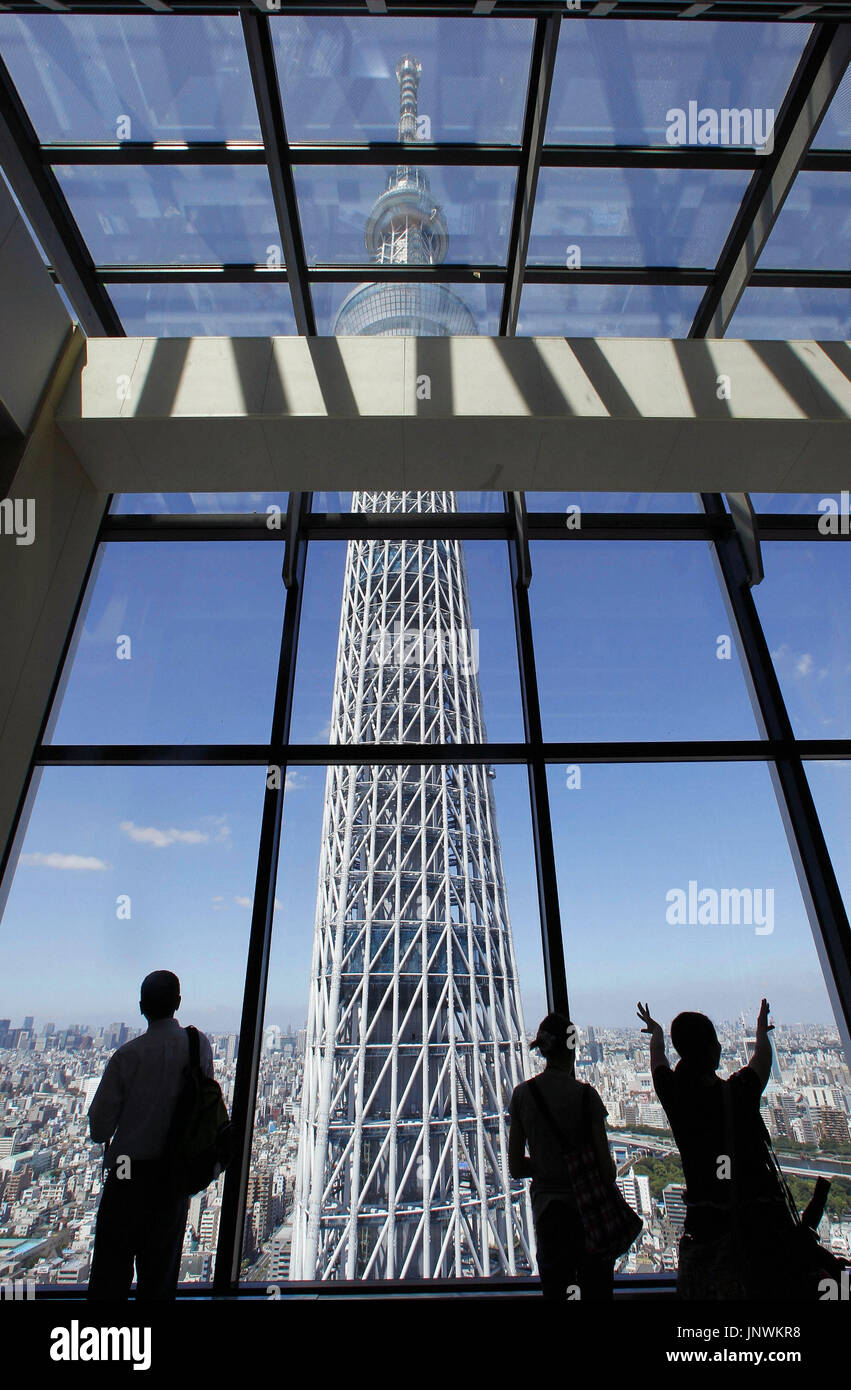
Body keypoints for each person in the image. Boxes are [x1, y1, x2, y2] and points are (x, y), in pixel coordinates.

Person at [637, 997, 804, 1299]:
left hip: (704, 1228)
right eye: (715, 1041)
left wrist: (657, 1031)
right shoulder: (738, 1092)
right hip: (757, 1227)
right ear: (710, 1048)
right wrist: (761, 1032)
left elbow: (659, 1058)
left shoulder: (675, 1095)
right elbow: (761, 1062)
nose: (720, 1047)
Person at [87, 970, 214, 1300]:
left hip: (127, 1173)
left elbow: (99, 1127)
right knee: (159, 1278)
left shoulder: (127, 1056)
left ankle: (105, 1346)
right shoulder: (198, 1046)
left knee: (110, 1275)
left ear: (142, 1006)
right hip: (172, 1176)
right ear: (178, 1002)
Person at [509, 1012, 616, 1300]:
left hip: (549, 1216)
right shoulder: (587, 1096)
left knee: (558, 1291)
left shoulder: (522, 1096)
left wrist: (547, 1166)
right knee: (596, 1290)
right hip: (590, 1215)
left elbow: (516, 1167)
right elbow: (608, 1171)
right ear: (572, 1047)